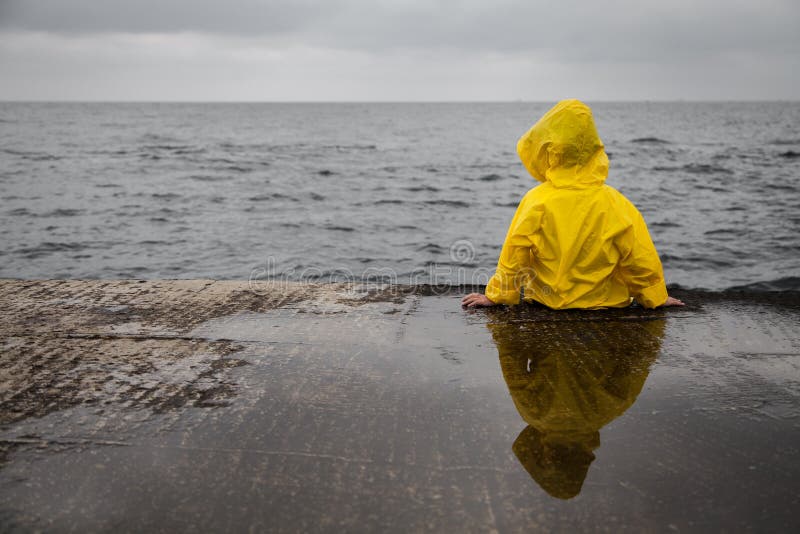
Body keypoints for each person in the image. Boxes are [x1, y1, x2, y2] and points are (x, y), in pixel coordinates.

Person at [462, 99, 684, 309]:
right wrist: (655, 297)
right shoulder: (616, 203)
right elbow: (639, 257)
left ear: (549, 148)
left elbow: (514, 254)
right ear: (594, 148)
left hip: (547, 302)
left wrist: (497, 295)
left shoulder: (536, 200)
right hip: (605, 304)